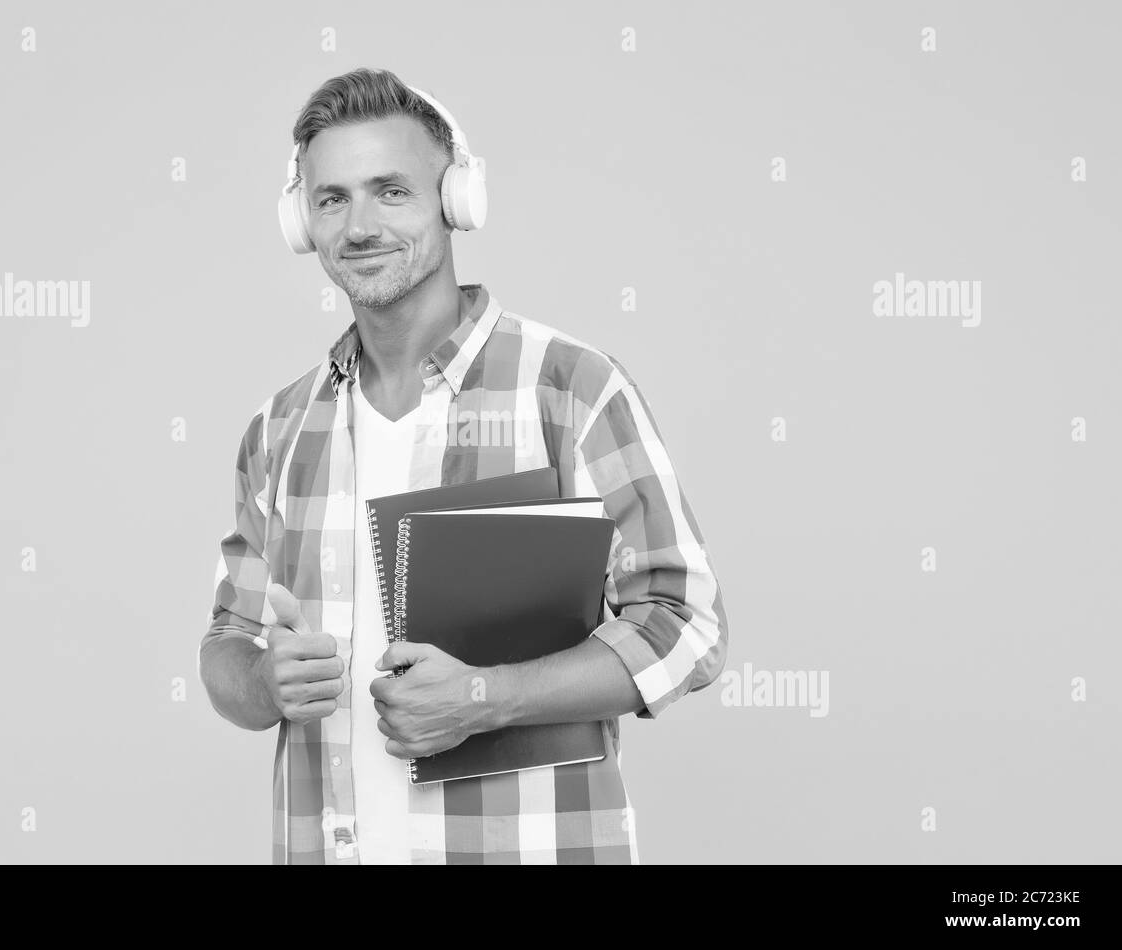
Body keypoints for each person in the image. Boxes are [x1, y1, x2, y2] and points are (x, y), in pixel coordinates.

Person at [198, 67, 729, 864]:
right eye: (332, 198)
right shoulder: (279, 427)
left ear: (456, 202)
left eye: (391, 191)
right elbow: (226, 644)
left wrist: (487, 698)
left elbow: (687, 626)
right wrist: (263, 683)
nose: (360, 225)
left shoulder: (570, 390)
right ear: (301, 222)